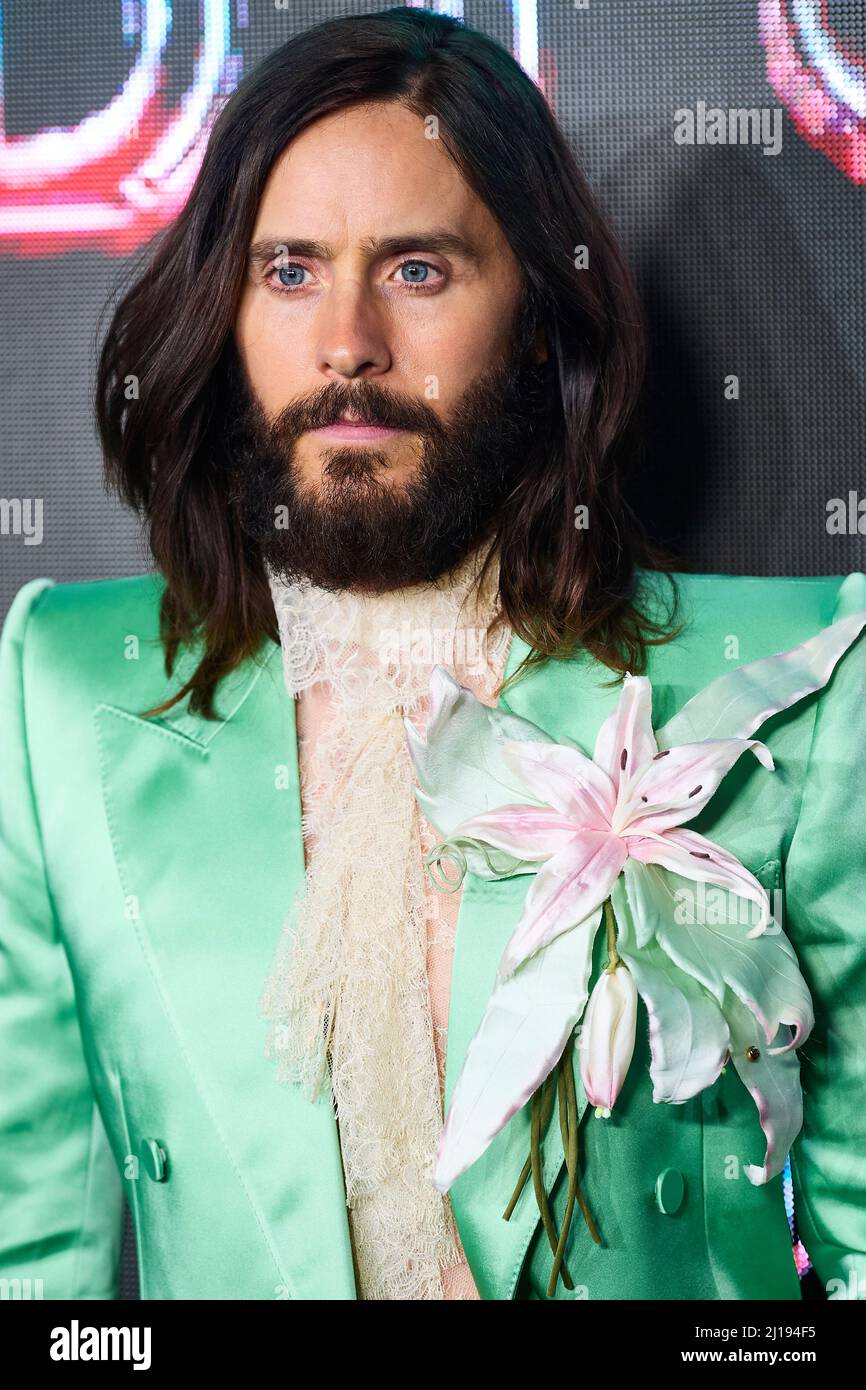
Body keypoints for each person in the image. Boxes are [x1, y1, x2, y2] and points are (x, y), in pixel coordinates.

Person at [1, 6, 864, 1302]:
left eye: (415, 269)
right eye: (288, 270)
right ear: (224, 315)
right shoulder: (60, 691)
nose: (346, 342)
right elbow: (33, 1261)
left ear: (533, 312)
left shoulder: (789, 687)